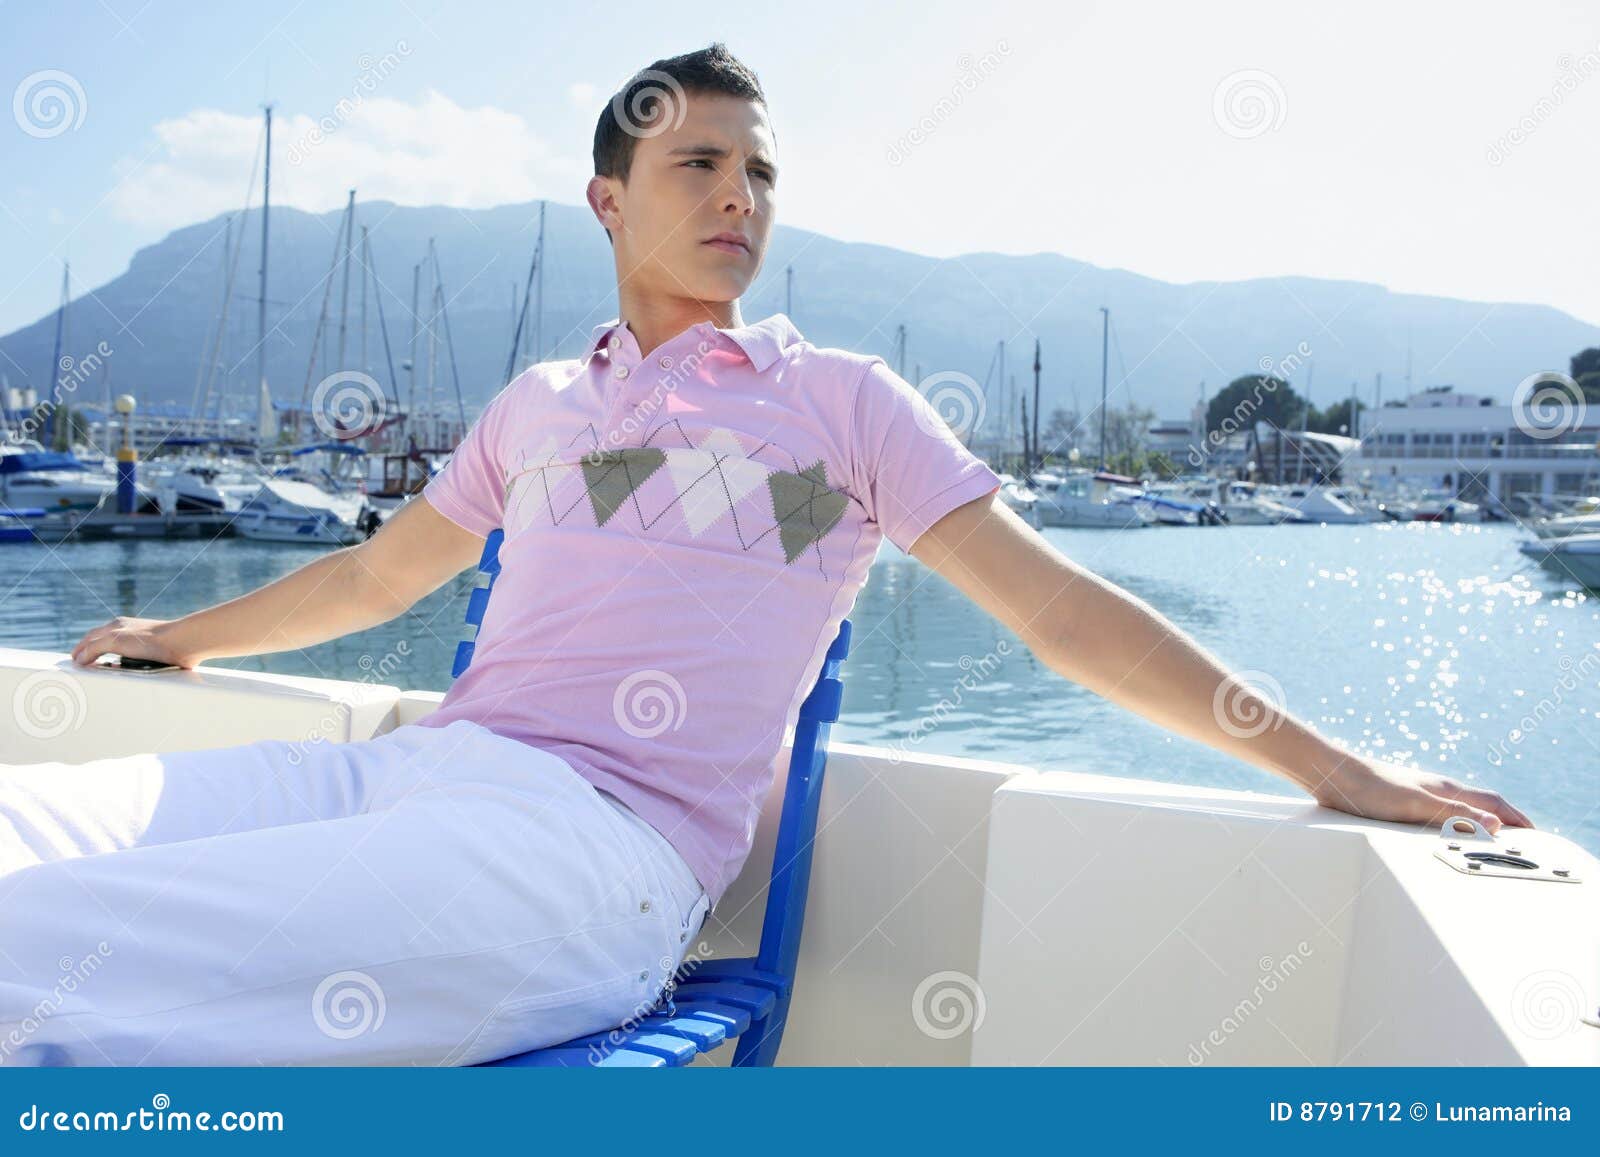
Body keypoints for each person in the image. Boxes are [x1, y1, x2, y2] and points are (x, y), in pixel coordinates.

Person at [7, 43, 1529, 1067]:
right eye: (698, 164)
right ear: (608, 201)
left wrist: (1336, 769)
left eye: (760, 172)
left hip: (592, 858)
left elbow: (1059, 613)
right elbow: (372, 580)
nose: (741, 194)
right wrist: (181, 638)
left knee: (46, 951)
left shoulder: (843, 403)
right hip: (408, 774)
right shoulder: (539, 404)